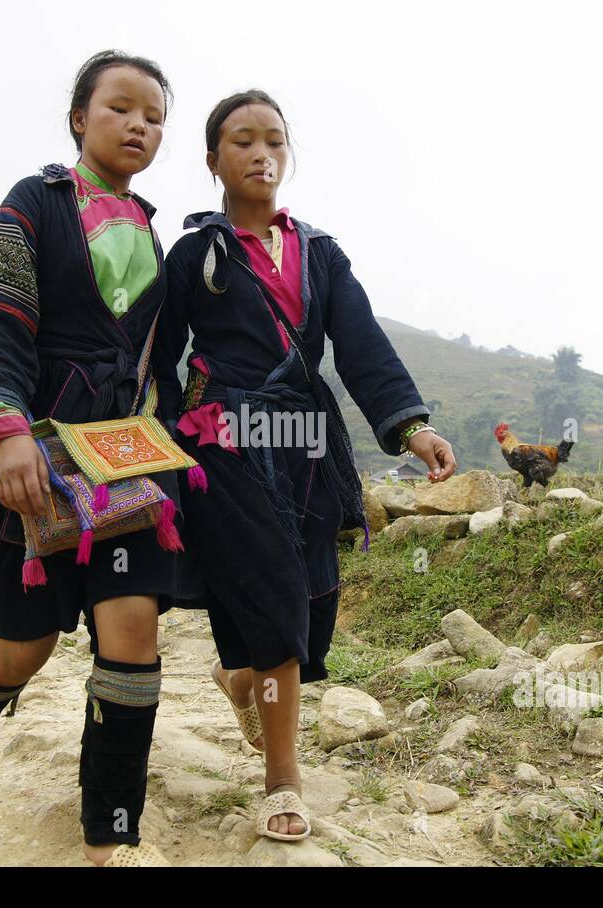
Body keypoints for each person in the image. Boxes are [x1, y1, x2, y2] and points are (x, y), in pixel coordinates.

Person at [155, 90, 457, 842]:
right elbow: (159, 357)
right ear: (212, 159)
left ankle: (240, 680)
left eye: (275, 141)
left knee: (312, 599)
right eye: (242, 141)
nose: (262, 154)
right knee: (276, 595)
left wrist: (411, 426)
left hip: (307, 443)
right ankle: (284, 778)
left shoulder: (320, 251)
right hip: (225, 439)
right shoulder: (197, 254)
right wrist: (155, 438)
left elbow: (359, 343)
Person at [0, 50, 184, 866]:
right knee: (26, 643)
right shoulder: (33, 204)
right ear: (80, 118)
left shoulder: (153, 229)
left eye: (154, 115)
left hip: (123, 461)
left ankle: (107, 835)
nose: (139, 125)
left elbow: (170, 358)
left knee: (133, 627)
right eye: (121, 108)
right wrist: (4, 429)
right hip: (38, 452)